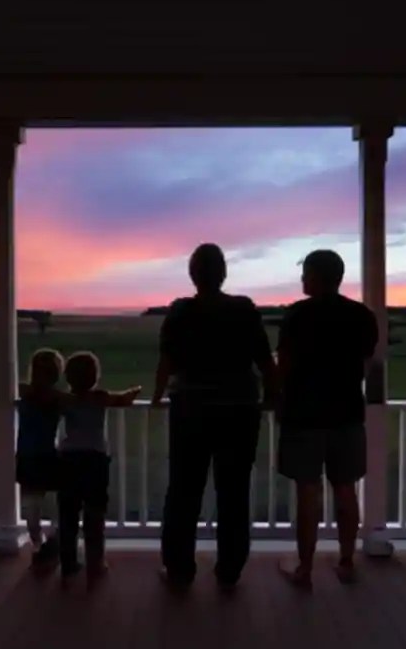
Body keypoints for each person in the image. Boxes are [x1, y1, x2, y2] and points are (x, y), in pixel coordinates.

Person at [153, 243, 277, 590]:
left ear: (193, 275)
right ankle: (229, 570)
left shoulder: (180, 311)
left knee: (183, 490)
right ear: (223, 274)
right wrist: (271, 397)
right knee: (233, 491)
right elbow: (266, 362)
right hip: (239, 410)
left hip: (190, 409)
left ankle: (179, 570)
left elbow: (166, 361)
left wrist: (156, 396)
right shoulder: (244, 309)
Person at [276, 249, 378, 589]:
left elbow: (285, 366)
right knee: (345, 489)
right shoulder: (362, 316)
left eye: (306, 273)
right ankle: (346, 561)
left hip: (303, 416)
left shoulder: (296, 316)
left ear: (317, 277)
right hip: (346, 415)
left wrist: (273, 394)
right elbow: (364, 366)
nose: (302, 279)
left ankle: (305, 568)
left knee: (308, 491)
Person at [57, 351, 141, 581]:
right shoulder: (100, 397)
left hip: (68, 458)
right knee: (95, 513)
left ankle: (68, 562)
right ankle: (96, 562)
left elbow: (40, 397)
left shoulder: (64, 399)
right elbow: (123, 399)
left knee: (68, 514)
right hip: (94, 459)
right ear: (95, 376)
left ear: (68, 377)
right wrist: (135, 391)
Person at [16, 348, 65, 566]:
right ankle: (53, 538)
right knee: (55, 499)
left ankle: (37, 541)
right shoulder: (56, 399)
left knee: (31, 501)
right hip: (46, 453)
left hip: (27, 454)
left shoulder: (24, 393)